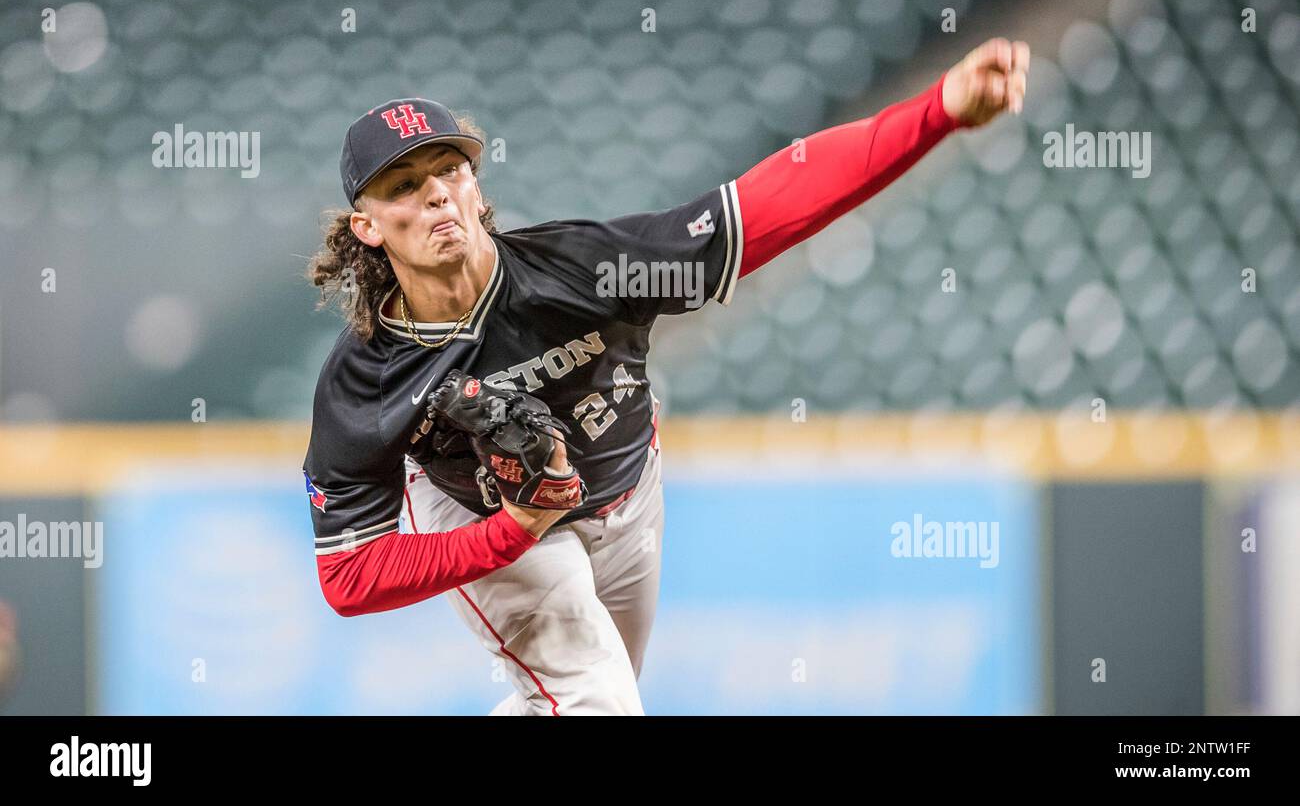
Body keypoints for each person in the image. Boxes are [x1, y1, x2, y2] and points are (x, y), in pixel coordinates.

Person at [303, 38, 1030, 715]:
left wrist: (936, 112)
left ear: (475, 183)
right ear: (366, 226)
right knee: (595, 698)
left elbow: (773, 201)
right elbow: (349, 577)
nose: (435, 194)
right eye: (403, 184)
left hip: (627, 496)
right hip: (484, 517)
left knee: (573, 697)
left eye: (449, 170)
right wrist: (512, 532)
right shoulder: (365, 381)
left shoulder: (586, 270)